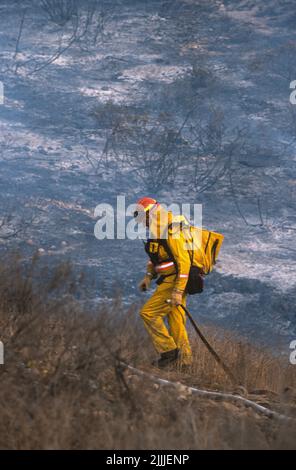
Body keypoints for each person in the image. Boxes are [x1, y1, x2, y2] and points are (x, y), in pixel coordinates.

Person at [134, 197, 192, 368]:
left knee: (148, 313)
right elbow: (156, 258)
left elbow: (184, 263)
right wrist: (148, 276)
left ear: (151, 213)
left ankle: (168, 353)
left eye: (142, 217)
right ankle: (185, 363)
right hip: (169, 280)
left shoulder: (170, 230)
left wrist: (178, 291)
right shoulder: (156, 230)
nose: (141, 222)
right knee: (176, 322)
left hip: (174, 281)